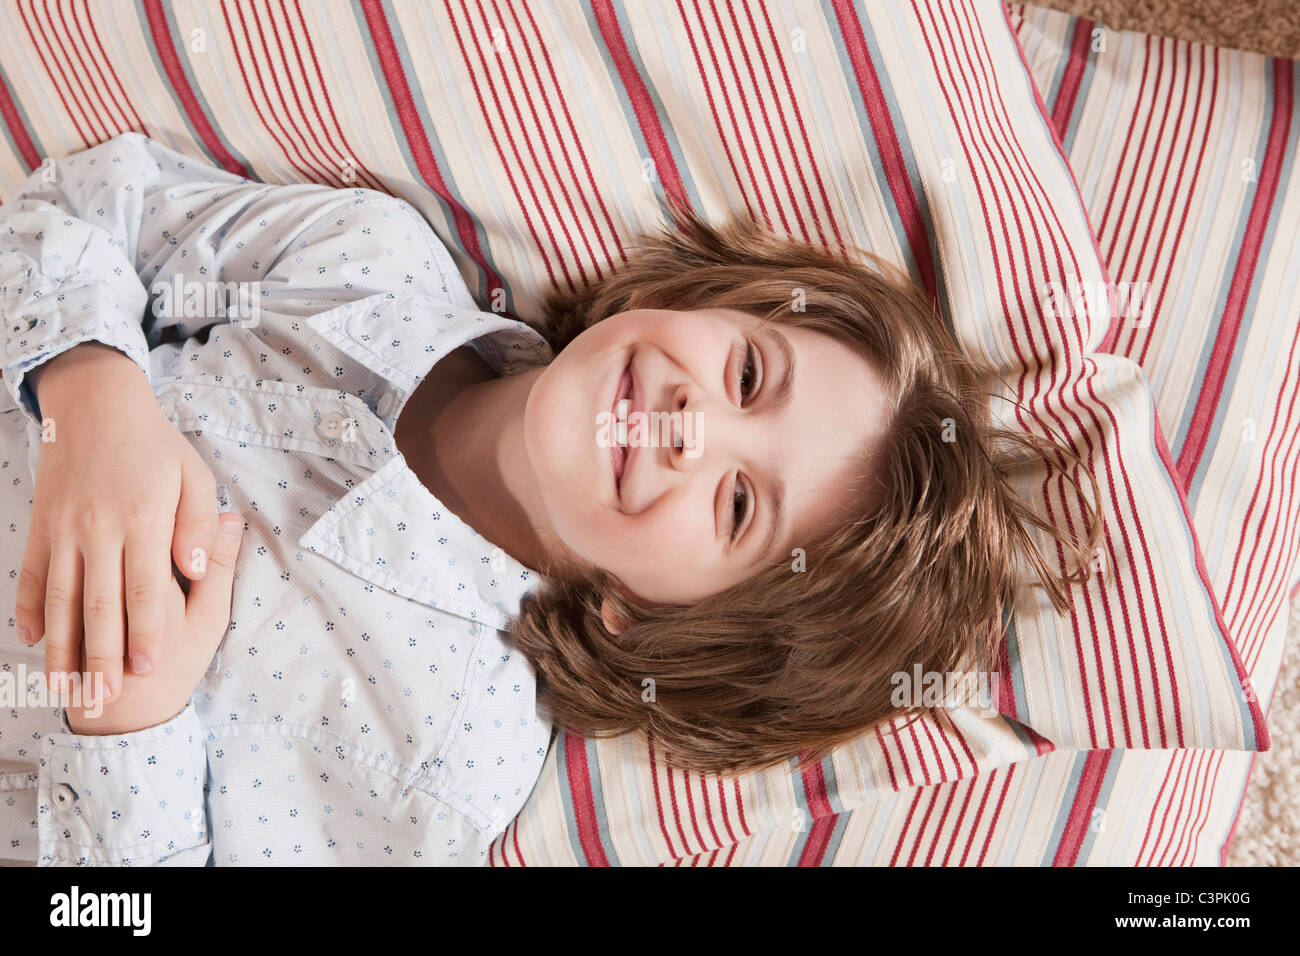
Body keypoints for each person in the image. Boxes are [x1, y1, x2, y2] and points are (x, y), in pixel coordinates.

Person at [0, 132, 1100, 866]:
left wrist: (125, 723)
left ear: (657, 618)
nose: (689, 424)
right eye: (748, 375)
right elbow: (77, 212)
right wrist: (90, 397)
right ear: (690, 298)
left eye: (733, 505)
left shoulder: (448, 754)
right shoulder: (364, 260)